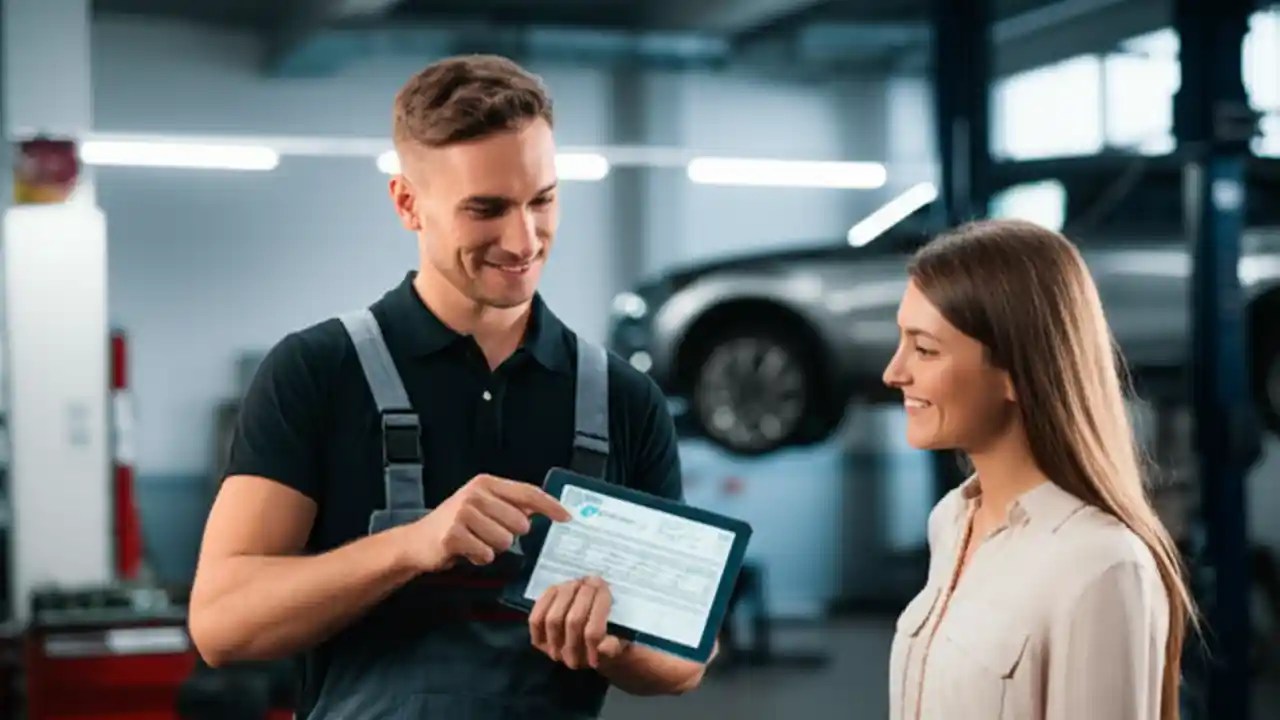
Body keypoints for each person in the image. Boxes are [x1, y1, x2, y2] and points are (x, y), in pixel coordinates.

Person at [187, 54, 712, 719]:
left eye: (542, 200)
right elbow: (221, 625)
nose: (523, 240)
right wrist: (411, 545)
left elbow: (687, 658)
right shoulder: (315, 374)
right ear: (408, 203)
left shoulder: (623, 401)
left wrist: (612, 644)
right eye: (486, 209)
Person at [882, 219, 1196, 720]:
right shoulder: (952, 522)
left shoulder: (1101, 564)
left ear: (1016, 372)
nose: (894, 372)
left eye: (924, 349)